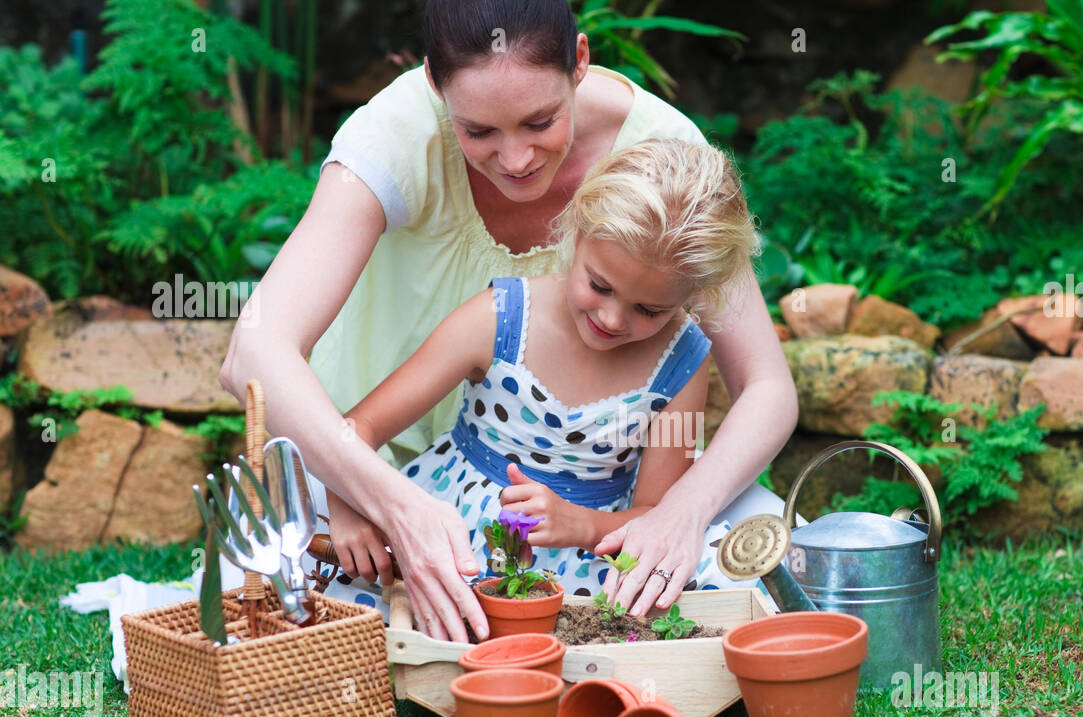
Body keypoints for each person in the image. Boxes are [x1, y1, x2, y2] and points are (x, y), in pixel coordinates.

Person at [219, 0, 797, 641]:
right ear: (435, 87)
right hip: (370, 462)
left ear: (580, 61)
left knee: (755, 543)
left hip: (594, 500)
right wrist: (374, 495)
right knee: (276, 578)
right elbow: (253, 351)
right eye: (479, 133)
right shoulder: (396, 134)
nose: (516, 159)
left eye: (540, 121)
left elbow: (767, 387)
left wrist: (680, 513)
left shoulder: (666, 171)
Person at [327, 139, 760, 608]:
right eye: (599, 285)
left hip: (589, 555)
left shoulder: (681, 364)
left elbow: (657, 515)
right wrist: (345, 508)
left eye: (649, 309)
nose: (613, 319)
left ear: (692, 294)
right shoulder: (503, 317)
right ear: (578, 236)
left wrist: (582, 525)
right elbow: (357, 429)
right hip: (458, 530)